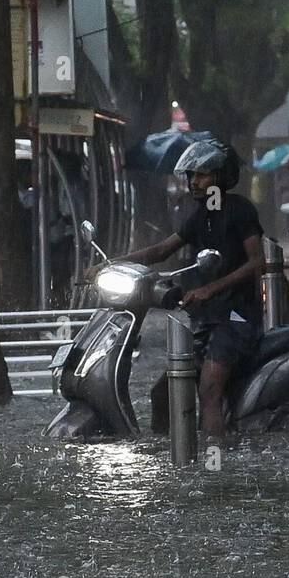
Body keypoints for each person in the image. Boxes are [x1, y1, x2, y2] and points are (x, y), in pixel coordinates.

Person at [93, 137, 265, 438]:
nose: (194, 182)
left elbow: (257, 263)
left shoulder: (240, 210)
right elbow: (159, 252)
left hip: (237, 319)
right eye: (191, 176)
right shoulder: (201, 217)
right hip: (207, 320)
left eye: (201, 175)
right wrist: (108, 265)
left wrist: (211, 289)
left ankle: (217, 464)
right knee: (162, 393)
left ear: (221, 177)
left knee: (208, 392)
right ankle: (166, 458)